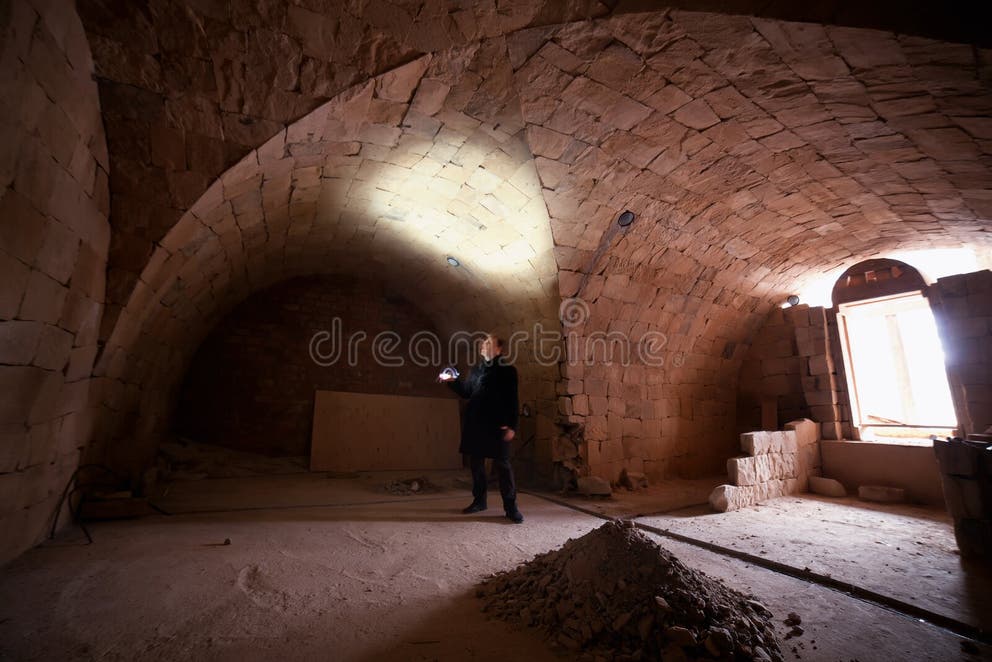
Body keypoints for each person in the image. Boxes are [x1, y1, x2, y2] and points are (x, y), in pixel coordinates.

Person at [440, 333, 523, 523]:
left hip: (496, 425)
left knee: (503, 466)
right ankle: (479, 501)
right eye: (483, 342)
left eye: (487, 343)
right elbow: (467, 392)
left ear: (498, 349)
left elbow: (513, 400)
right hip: (476, 425)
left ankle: (511, 508)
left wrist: (512, 426)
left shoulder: (507, 370)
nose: (482, 345)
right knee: (476, 464)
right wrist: (451, 382)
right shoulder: (477, 369)